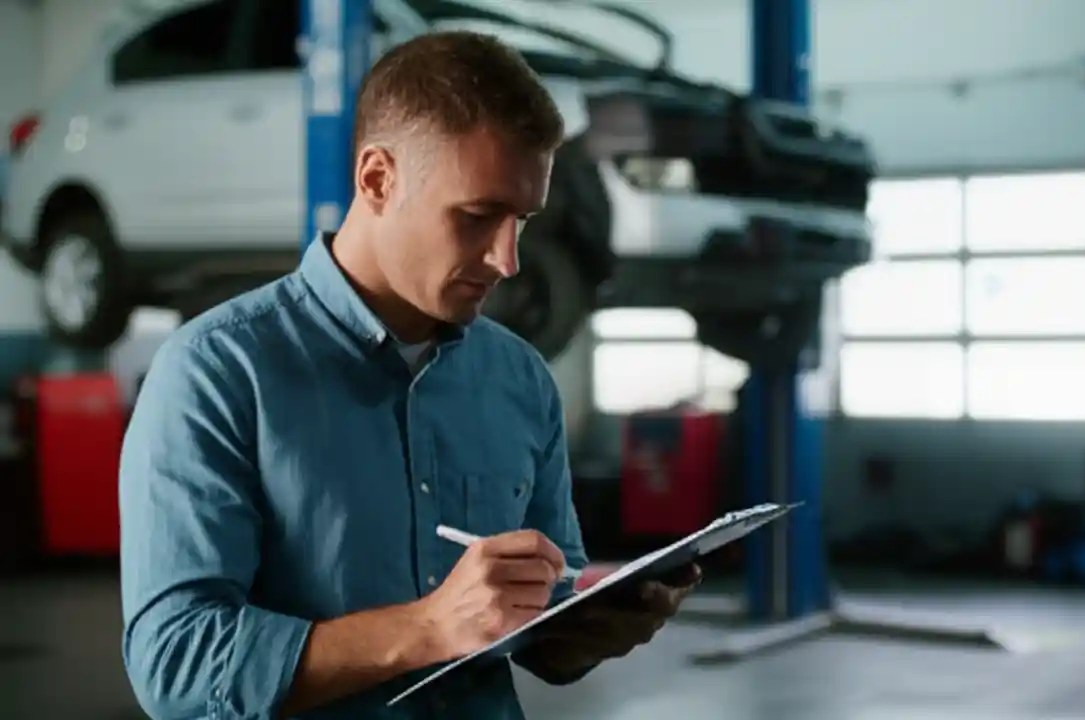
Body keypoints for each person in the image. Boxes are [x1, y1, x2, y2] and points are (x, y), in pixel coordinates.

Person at [118, 32, 700, 720]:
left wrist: (596, 627)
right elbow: (177, 662)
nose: (508, 260)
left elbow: (542, 625)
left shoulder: (519, 380)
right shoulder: (217, 375)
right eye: (478, 217)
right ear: (377, 179)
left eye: (522, 220)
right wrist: (427, 628)